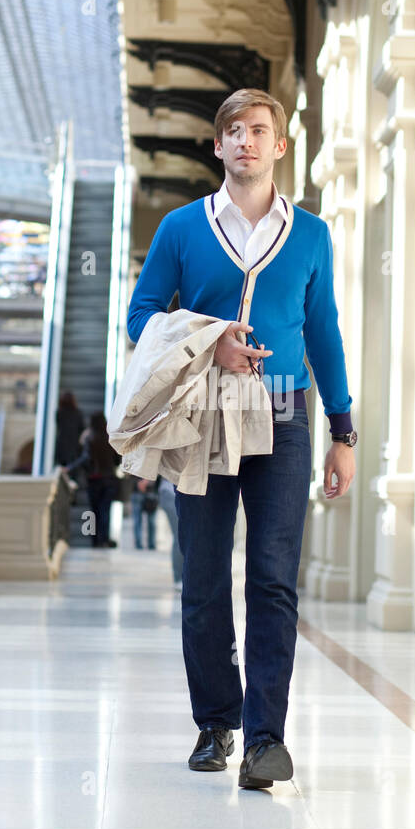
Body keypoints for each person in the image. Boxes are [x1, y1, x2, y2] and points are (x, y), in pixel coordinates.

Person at [125, 88, 357, 790]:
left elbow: (325, 335)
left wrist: (343, 431)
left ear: (280, 146)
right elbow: (139, 319)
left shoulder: (312, 234)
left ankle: (265, 739)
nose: (246, 141)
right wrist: (206, 342)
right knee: (202, 577)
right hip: (202, 415)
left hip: (286, 415)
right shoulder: (181, 228)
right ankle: (214, 723)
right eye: (234, 131)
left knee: (272, 578)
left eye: (259, 130)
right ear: (217, 146)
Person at [59, 412, 120, 548]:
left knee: (94, 512)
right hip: (109, 480)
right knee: (105, 511)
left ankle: (95, 540)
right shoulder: (110, 438)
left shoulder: (89, 438)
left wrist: (69, 468)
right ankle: (104, 539)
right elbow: (118, 460)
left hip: (94, 480)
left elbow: (85, 458)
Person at [54, 391, 85, 470]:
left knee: (61, 466)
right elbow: (82, 428)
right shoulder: (78, 413)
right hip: (74, 443)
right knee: (73, 467)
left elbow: (58, 425)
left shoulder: (59, 413)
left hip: (62, 442)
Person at [131, 476, 158, 550]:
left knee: (151, 521)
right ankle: (138, 544)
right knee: (137, 520)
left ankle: (151, 544)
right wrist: (139, 482)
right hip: (137, 491)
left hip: (151, 492)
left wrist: (147, 481)